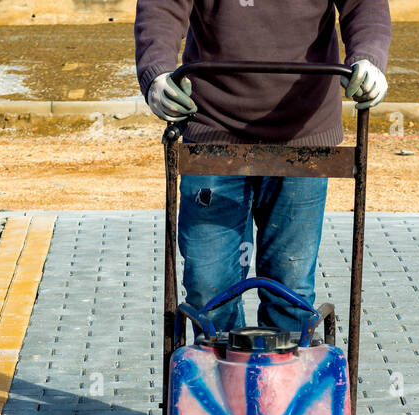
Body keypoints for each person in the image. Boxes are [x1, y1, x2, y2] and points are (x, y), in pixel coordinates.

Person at [136, 0, 391, 336]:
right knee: (208, 288)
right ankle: (219, 381)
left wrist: (369, 58)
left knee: (290, 287)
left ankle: (285, 385)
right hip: (213, 124)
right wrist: (156, 74)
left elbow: (364, 6)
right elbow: (162, 8)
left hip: (303, 132)